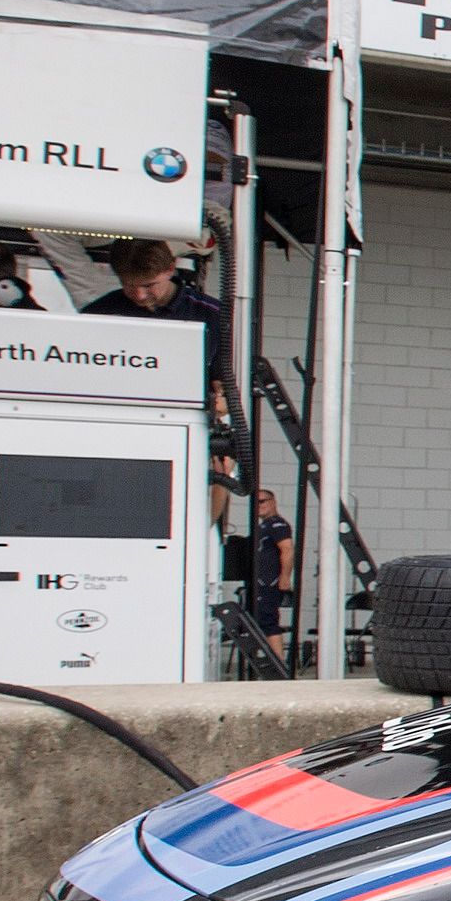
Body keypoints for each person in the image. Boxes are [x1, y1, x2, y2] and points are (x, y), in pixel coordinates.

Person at [88, 237, 236, 521]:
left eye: (149, 285)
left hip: (183, 438)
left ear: (170, 269)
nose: (140, 295)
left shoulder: (213, 317)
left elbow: (226, 396)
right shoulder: (99, 315)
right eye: (130, 285)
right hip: (114, 437)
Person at [247, 485, 295, 662]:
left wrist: (284, 577)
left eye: (262, 501)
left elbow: (287, 549)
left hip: (270, 582)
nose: (258, 505)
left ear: (273, 502)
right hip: (260, 582)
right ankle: (271, 661)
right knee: (259, 619)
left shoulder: (278, 524)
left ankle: (278, 664)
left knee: (268, 620)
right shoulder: (264, 526)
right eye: (255, 502)